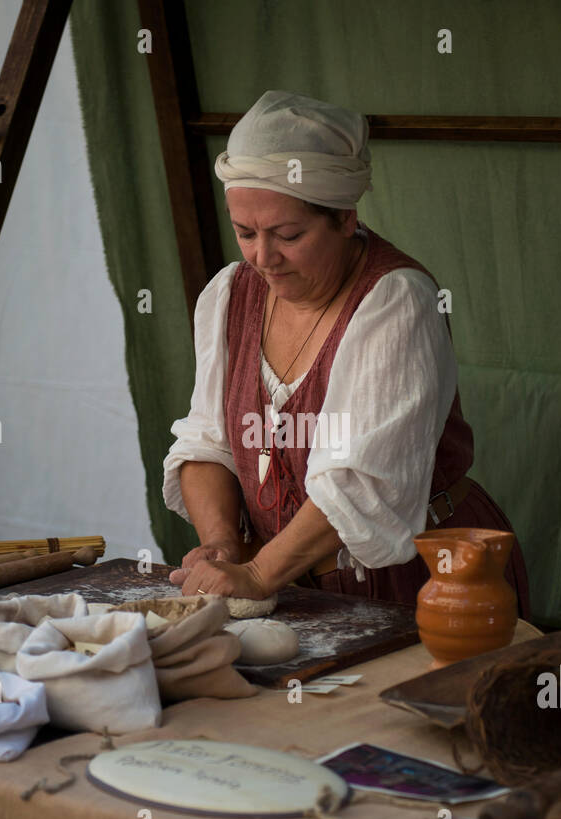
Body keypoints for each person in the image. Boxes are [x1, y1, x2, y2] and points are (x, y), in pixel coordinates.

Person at [163, 90, 530, 612]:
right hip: (285, 580)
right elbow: (207, 444)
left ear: (343, 217)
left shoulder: (396, 300)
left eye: (288, 235)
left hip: (424, 577)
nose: (263, 257)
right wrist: (223, 545)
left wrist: (258, 572)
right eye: (244, 232)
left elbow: (362, 482)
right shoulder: (229, 295)